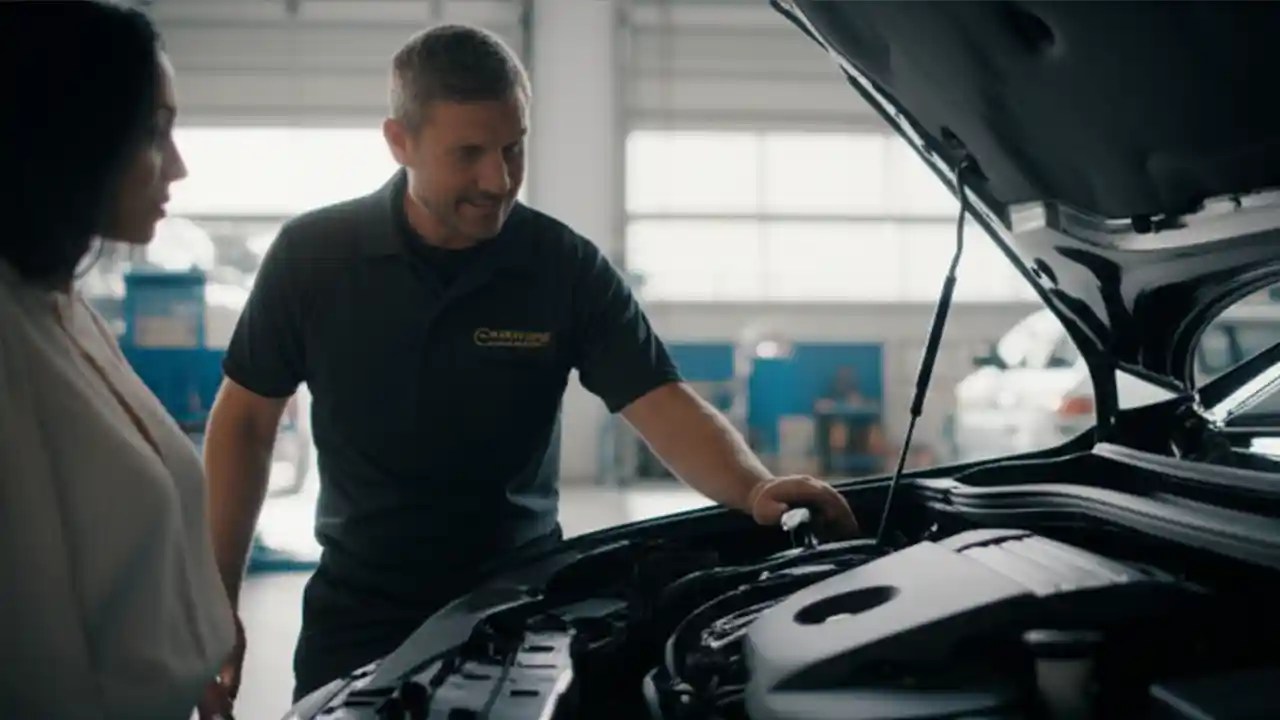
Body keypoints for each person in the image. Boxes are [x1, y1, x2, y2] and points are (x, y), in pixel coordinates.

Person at [203, 23, 861, 704]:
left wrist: (754, 489)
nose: (500, 179)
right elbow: (246, 424)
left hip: (519, 612)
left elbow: (660, 402)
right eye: (470, 154)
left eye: (514, 148)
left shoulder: (561, 267)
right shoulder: (314, 259)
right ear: (400, 142)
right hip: (359, 620)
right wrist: (215, 601)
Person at [0, 2, 239, 718]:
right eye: (154, 131)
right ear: (71, 135)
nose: (178, 165)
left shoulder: (62, 306)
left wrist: (191, 640)